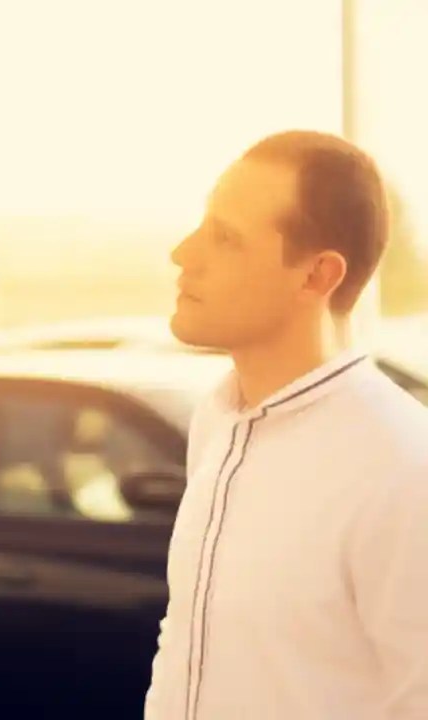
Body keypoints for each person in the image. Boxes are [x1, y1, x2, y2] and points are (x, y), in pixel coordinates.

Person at [144, 130, 428, 718]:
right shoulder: (218, 422)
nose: (183, 253)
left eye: (225, 238)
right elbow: (189, 643)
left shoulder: (404, 468)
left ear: (316, 276)